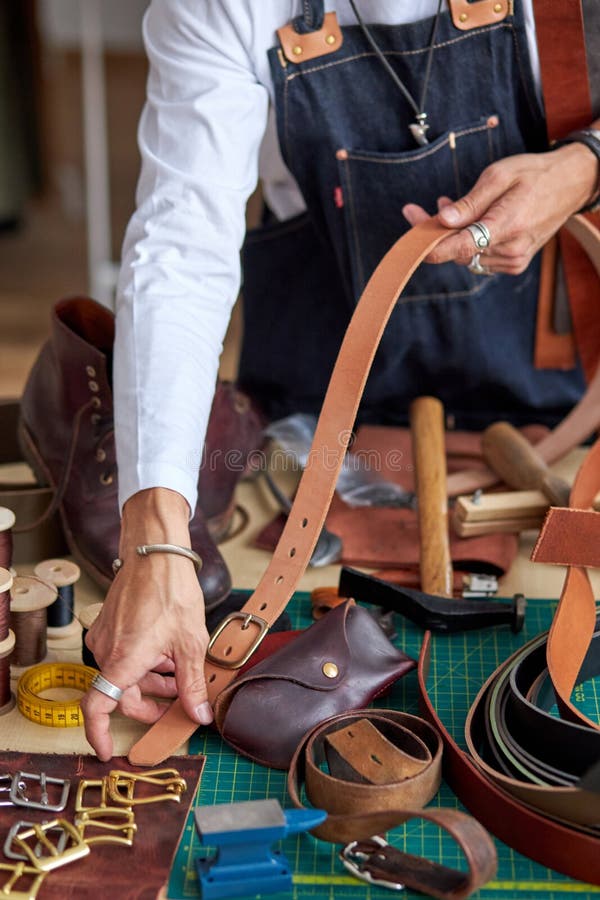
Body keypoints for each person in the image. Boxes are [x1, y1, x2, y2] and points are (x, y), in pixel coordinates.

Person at [80, 0, 600, 760]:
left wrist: (585, 163)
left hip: (554, 414)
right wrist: (156, 542)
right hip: (316, 426)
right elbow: (179, 249)